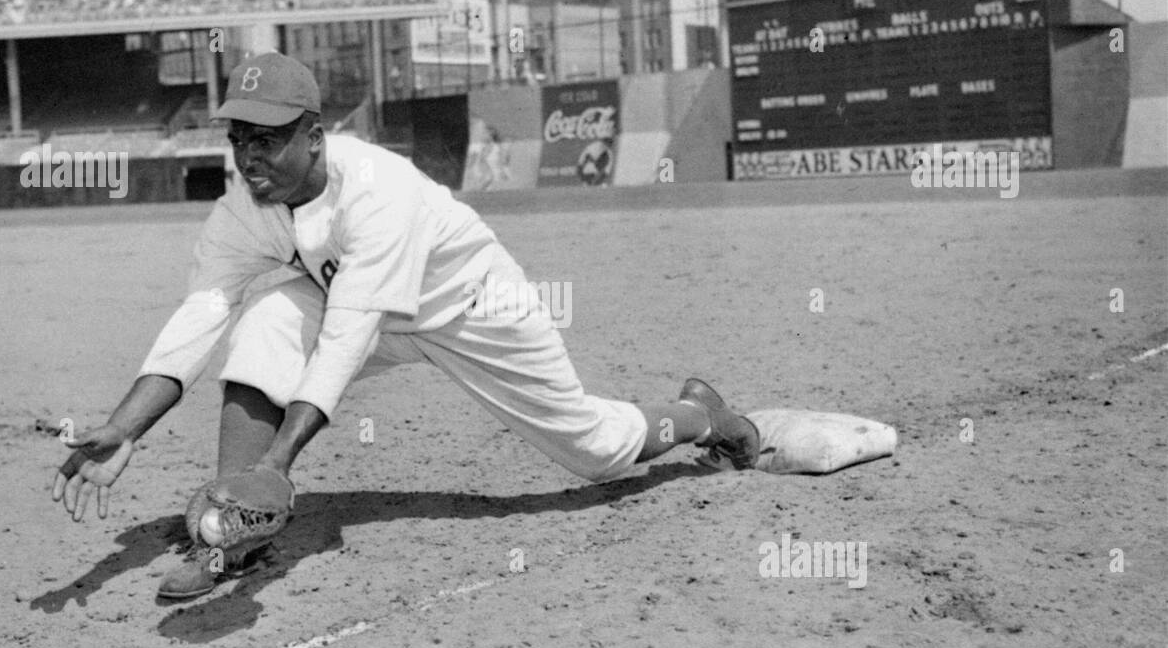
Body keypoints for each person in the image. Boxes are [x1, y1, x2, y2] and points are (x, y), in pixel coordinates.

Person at [51, 52, 759, 599]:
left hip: (475, 308)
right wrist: (126, 424)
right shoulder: (246, 208)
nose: (250, 156)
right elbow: (201, 312)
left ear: (316, 136)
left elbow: (345, 341)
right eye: (241, 138)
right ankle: (231, 529)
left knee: (592, 448)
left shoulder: (376, 191)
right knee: (267, 319)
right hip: (369, 312)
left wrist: (278, 467)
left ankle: (698, 413)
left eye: (268, 138)